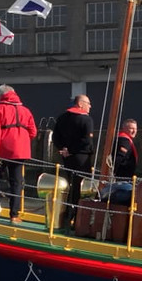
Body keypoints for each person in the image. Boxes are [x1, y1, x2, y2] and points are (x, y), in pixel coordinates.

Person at [0, 84, 37, 220]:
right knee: (16, 183)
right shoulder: (26, 111)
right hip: (21, 151)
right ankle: (14, 215)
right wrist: (22, 140)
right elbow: (33, 132)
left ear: (0, 96)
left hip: (2, 149)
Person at [51, 93, 95, 230]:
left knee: (70, 185)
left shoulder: (62, 118)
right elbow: (87, 141)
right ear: (80, 104)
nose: (90, 106)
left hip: (67, 157)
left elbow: (55, 136)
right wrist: (72, 150)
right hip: (81, 157)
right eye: (88, 103)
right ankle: (77, 219)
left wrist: (63, 149)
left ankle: (66, 216)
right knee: (81, 188)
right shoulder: (86, 120)